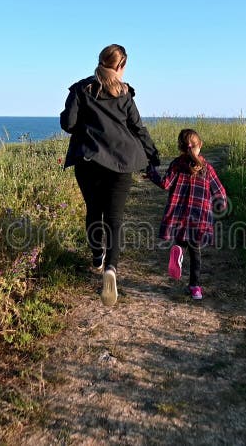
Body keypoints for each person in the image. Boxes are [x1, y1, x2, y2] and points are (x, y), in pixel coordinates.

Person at [60, 44, 160, 306]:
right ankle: (111, 269)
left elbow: (68, 124)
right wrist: (152, 154)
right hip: (122, 161)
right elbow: (138, 127)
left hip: (89, 159)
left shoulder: (82, 88)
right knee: (114, 219)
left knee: (94, 210)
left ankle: (97, 256)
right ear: (120, 66)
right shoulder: (125, 93)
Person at [146, 129, 227, 300]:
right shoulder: (207, 169)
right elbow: (219, 191)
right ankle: (195, 287)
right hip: (199, 217)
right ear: (201, 146)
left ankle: (178, 250)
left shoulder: (177, 164)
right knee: (196, 253)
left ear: (180, 148)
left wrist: (151, 172)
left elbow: (165, 184)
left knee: (181, 241)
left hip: (180, 216)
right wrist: (221, 205)